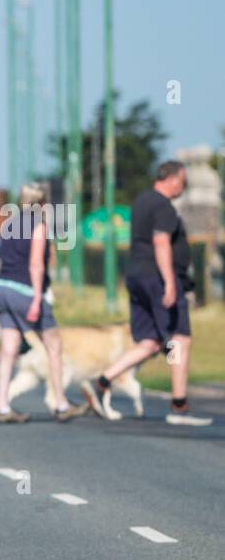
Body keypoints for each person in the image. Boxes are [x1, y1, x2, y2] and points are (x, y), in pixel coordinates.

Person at [83, 160, 212, 426]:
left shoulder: (141, 202)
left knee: (149, 342)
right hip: (158, 278)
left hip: (137, 276)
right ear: (173, 179)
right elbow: (161, 241)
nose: (183, 187)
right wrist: (169, 282)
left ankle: (103, 381)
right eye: (183, 181)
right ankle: (179, 406)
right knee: (179, 339)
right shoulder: (163, 206)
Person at [0, 182, 88, 424]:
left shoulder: (10, 223)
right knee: (54, 348)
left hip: (3, 288)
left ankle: (1, 406)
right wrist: (36, 299)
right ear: (43, 203)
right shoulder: (38, 226)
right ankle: (61, 404)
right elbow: (36, 263)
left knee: (8, 350)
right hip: (26, 290)